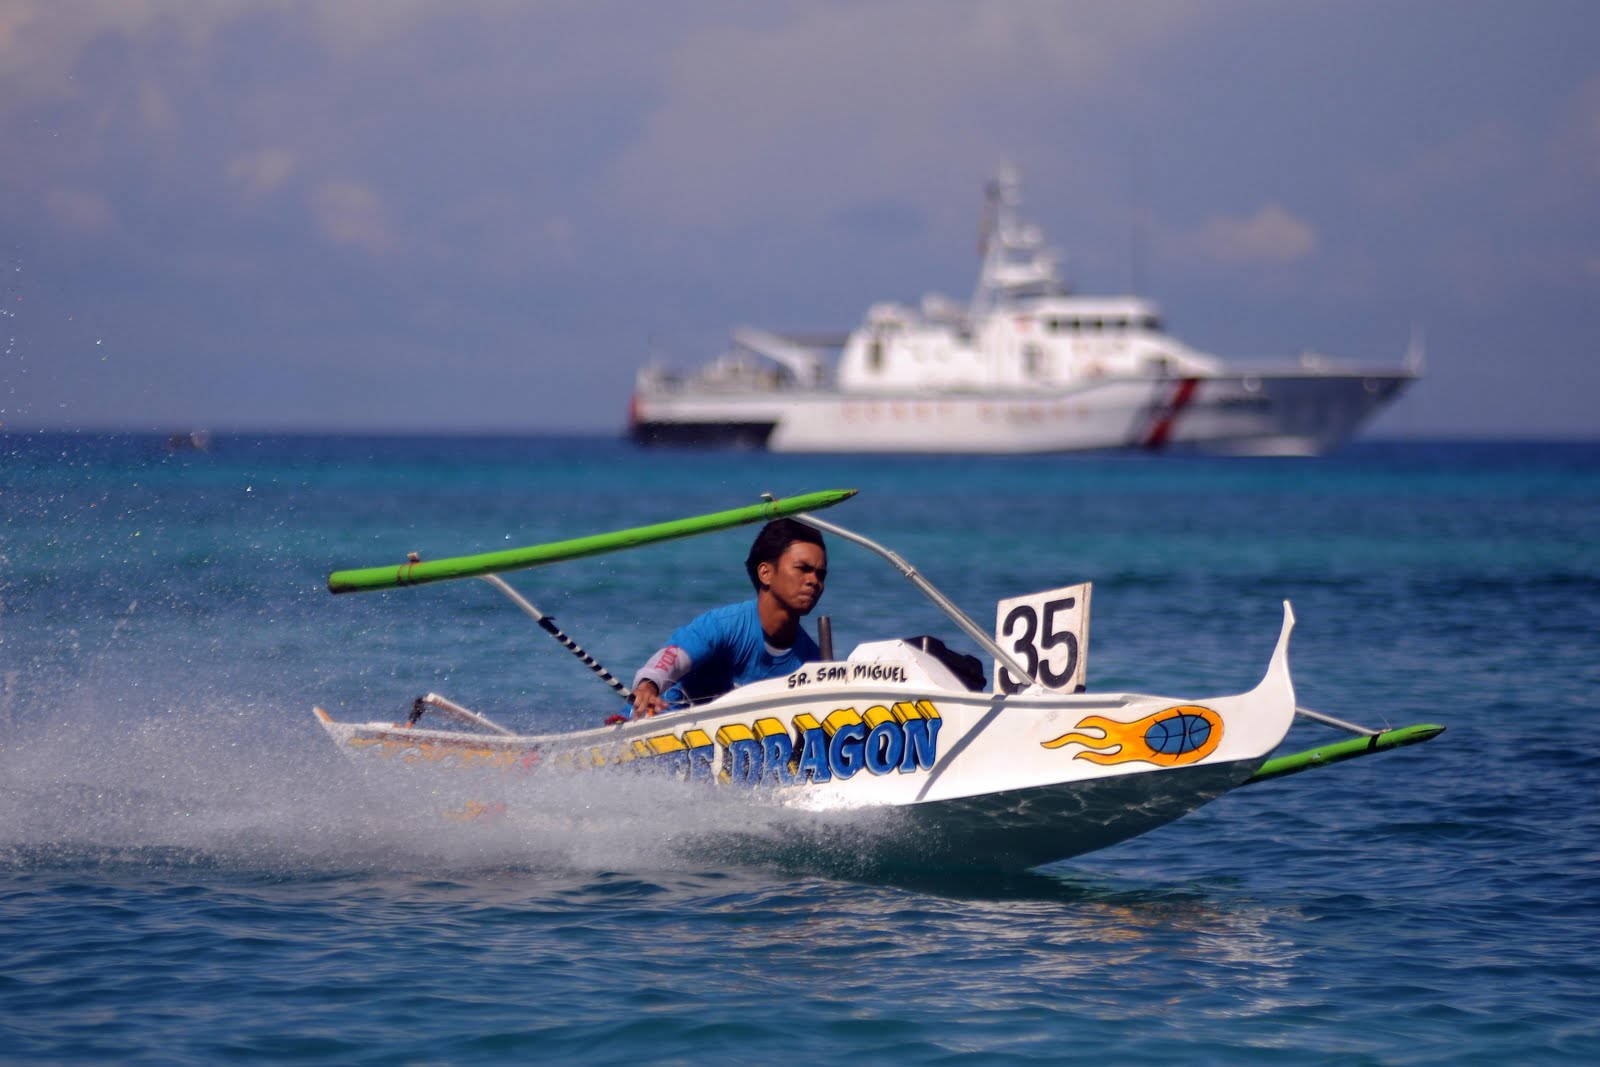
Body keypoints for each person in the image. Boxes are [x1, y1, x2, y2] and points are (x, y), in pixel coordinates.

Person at [629, 518, 827, 717]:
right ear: (765, 573)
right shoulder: (725, 626)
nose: (814, 581)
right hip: (653, 720)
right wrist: (648, 685)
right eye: (803, 569)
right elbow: (674, 657)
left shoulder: (813, 663)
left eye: (820, 574)